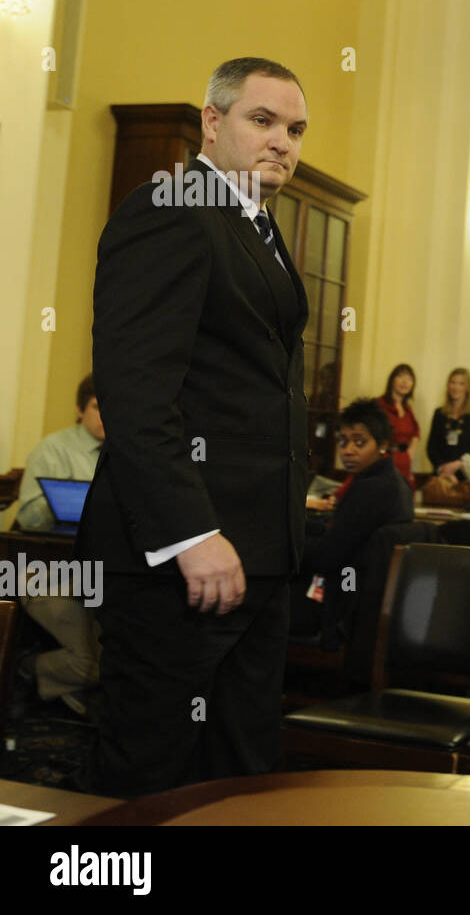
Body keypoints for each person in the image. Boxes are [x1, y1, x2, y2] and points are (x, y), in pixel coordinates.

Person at [80, 57, 311, 796]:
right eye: (263, 120)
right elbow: (137, 395)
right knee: (148, 780)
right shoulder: (171, 205)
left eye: (296, 129)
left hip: (260, 558)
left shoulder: (259, 228)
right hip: (181, 561)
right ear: (213, 122)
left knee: (238, 781)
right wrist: (189, 534)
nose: (282, 141)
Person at [15, 373, 104, 716]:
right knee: (90, 665)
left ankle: (64, 691)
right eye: (98, 406)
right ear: (81, 409)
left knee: (124, 660)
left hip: (100, 576)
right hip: (44, 573)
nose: (106, 415)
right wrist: (64, 501)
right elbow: (28, 518)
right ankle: (23, 667)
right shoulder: (53, 448)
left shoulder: (127, 453)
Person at [301, 398, 414, 648]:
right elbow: (343, 533)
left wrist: (286, 543)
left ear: (382, 444)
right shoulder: (395, 480)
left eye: (359, 442)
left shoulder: (371, 488)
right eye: (343, 441)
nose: (348, 450)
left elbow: (328, 556)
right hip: (368, 599)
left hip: (345, 607)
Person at [425, 367, 470, 479]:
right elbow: (431, 447)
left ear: (467, 387)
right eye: (453, 382)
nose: (456, 387)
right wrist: (443, 469)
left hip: (469, 476)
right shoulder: (439, 413)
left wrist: (459, 464)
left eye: (461, 384)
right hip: (443, 477)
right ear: (448, 385)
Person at [377, 363, 420, 487]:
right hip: (384, 462)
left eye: (410, 379)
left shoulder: (408, 409)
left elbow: (416, 433)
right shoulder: (379, 404)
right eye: (401, 376)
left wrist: (410, 454)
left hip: (405, 464)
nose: (405, 381)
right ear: (392, 379)